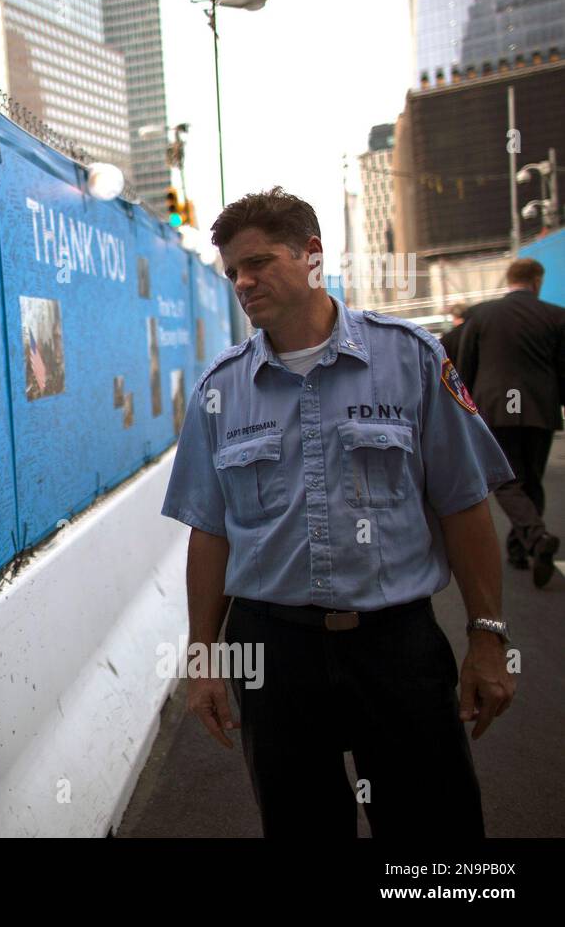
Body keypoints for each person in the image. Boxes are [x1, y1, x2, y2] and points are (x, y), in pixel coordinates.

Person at [160, 187, 517, 838]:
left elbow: (465, 503)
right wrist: (203, 657)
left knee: (433, 834)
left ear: (312, 255)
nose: (244, 281)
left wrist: (487, 635)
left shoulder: (410, 359)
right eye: (233, 270)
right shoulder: (220, 390)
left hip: (398, 647)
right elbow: (209, 531)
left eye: (259, 262)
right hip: (274, 651)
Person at [455, 258, 565, 588]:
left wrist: (466, 411)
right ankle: (524, 546)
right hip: (539, 409)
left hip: (495, 408)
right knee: (531, 478)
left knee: (505, 481)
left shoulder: (481, 315)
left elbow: (464, 366)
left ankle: (532, 538)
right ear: (537, 280)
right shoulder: (556, 317)